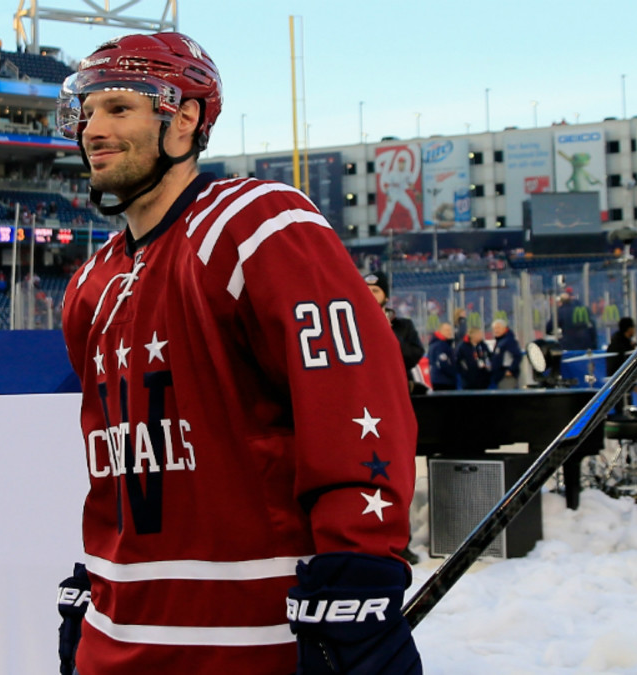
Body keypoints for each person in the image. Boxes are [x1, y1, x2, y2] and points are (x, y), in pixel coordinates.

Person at [57, 32, 421, 675]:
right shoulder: (90, 285)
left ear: (185, 118)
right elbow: (115, 457)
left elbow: (352, 393)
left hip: (251, 640)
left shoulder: (256, 225)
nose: (94, 129)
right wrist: (98, 574)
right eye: (87, 112)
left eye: (118, 108)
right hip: (117, 636)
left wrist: (359, 563)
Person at [364, 271, 425, 393]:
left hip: (398, 391)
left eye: (375, 291)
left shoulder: (403, 326)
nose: (370, 295)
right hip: (368, 391)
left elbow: (411, 358)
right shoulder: (353, 326)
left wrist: (389, 333)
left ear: (386, 296)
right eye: (366, 291)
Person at [490, 319, 522, 389]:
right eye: (494, 328)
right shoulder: (500, 341)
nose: (496, 330)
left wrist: (510, 370)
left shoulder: (509, 341)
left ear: (505, 328)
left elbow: (517, 356)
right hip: (499, 376)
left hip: (506, 377)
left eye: (498, 328)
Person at [427, 322, 457, 391]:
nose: (449, 332)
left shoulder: (436, 344)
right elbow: (443, 363)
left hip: (439, 380)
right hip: (444, 382)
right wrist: (453, 373)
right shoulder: (441, 345)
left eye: (450, 330)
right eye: (447, 330)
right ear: (440, 331)